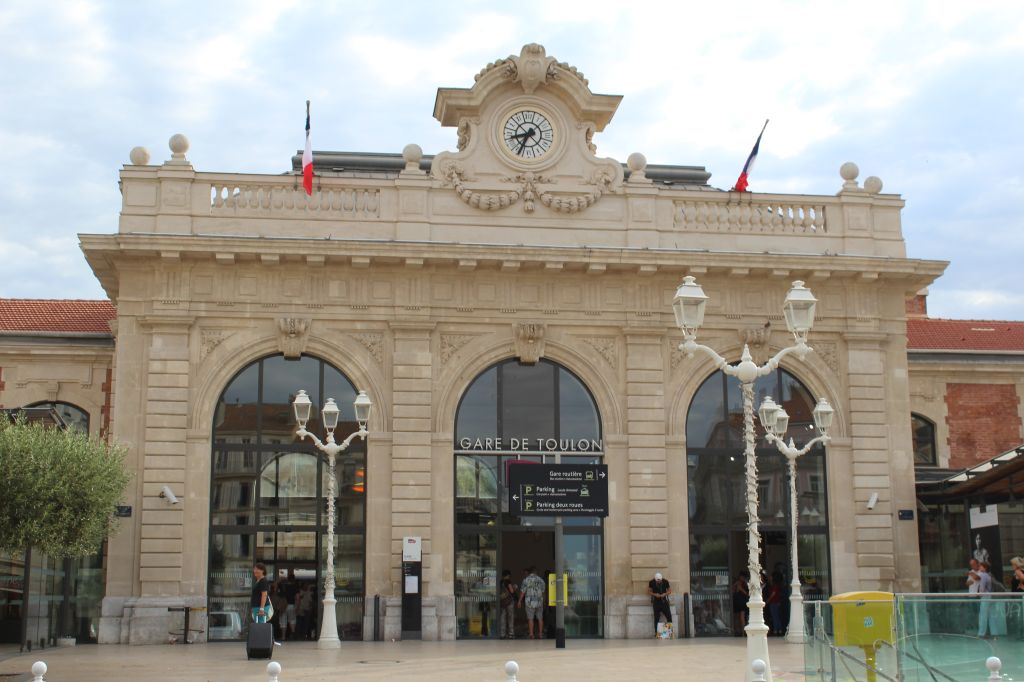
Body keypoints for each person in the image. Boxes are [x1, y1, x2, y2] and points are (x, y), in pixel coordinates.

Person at [519, 567, 545, 639]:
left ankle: (531, 634)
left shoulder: (526, 580)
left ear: (530, 572)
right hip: (539, 602)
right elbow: (543, 592)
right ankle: (540, 634)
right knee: (540, 618)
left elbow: (523, 592)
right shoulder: (541, 580)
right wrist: (544, 601)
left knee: (530, 619)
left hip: (529, 602)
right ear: (536, 572)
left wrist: (519, 601)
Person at [648, 572, 673, 636]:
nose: (659, 582)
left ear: (661, 579)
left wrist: (665, 594)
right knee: (656, 618)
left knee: (669, 616)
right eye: (657, 581)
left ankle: (670, 632)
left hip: (664, 601)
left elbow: (670, 591)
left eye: (660, 581)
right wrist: (655, 594)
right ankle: (656, 633)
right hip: (656, 602)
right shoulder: (651, 582)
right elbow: (649, 591)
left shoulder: (665, 581)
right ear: (655, 579)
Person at [499, 570, 518, 639]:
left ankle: (502, 634)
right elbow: (511, 591)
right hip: (509, 601)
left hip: (502, 601)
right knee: (510, 617)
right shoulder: (508, 581)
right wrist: (515, 587)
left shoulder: (500, 582)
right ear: (508, 575)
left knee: (502, 617)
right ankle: (511, 634)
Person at [766, 572, 785, 636]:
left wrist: (768, 600)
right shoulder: (774, 585)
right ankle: (778, 629)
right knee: (776, 616)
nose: (770, 578)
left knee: (775, 616)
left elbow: (773, 594)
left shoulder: (775, 585)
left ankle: (777, 630)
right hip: (775, 602)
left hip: (774, 602)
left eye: (771, 577)